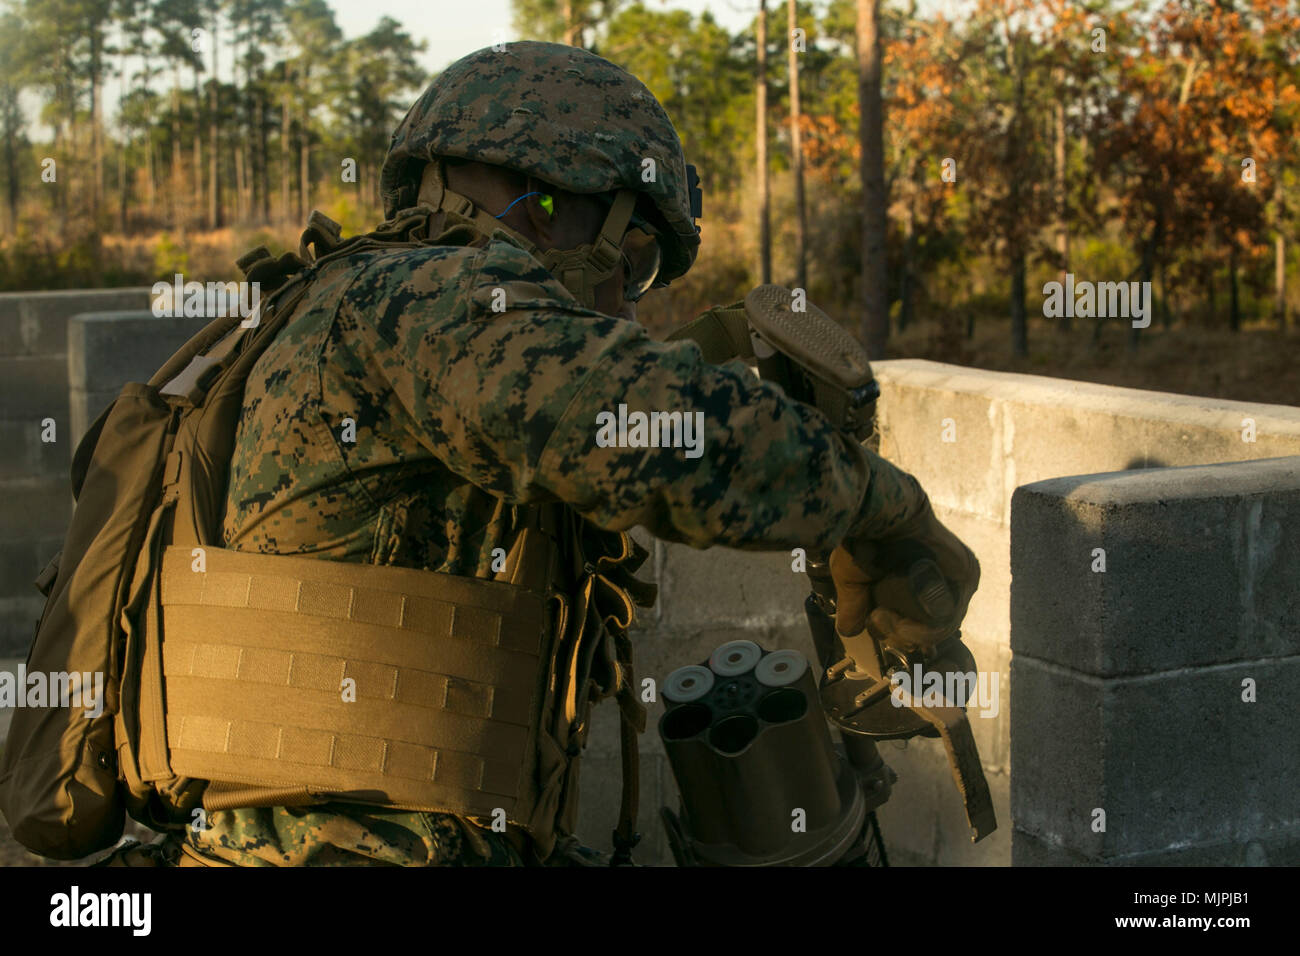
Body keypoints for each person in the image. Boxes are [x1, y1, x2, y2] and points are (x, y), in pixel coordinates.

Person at [160, 40, 978, 867]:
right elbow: (639, 422)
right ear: (550, 208)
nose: (627, 304)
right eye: (637, 265)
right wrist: (878, 505)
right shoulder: (420, 301)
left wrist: (738, 358)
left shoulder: (371, 303)